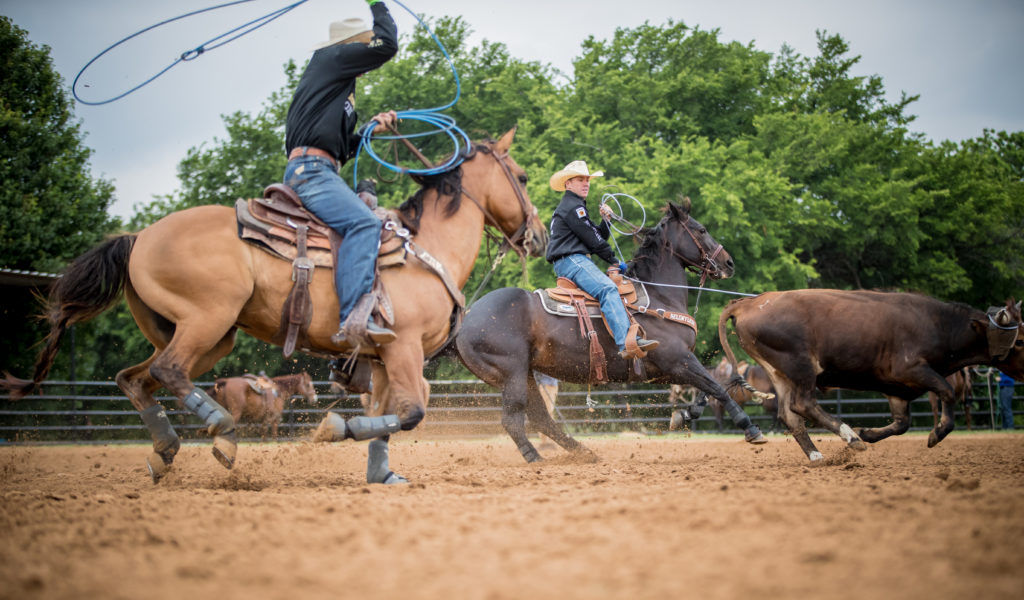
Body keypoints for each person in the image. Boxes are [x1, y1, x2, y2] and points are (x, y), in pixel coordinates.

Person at [284, 0, 400, 347]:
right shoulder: (332, 58)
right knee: (365, 223)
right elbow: (387, 45)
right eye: (362, 45)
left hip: (318, 168)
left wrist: (370, 130)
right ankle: (354, 317)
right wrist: (377, 5)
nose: (365, 54)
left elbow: (341, 149)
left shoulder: (336, 85)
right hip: (312, 171)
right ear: (349, 45)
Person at [545, 160, 659, 359]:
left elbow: (595, 237)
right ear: (568, 184)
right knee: (608, 289)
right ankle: (626, 343)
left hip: (571, 261)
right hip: (572, 261)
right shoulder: (573, 207)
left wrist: (606, 221)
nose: (586, 183)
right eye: (580, 179)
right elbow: (593, 240)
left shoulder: (573, 207)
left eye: (587, 180)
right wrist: (613, 260)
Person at [533, 371, 559, 449]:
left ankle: (548, 440)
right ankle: (545, 440)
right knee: (546, 412)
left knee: (548, 412)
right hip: (547, 384)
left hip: (550, 384)